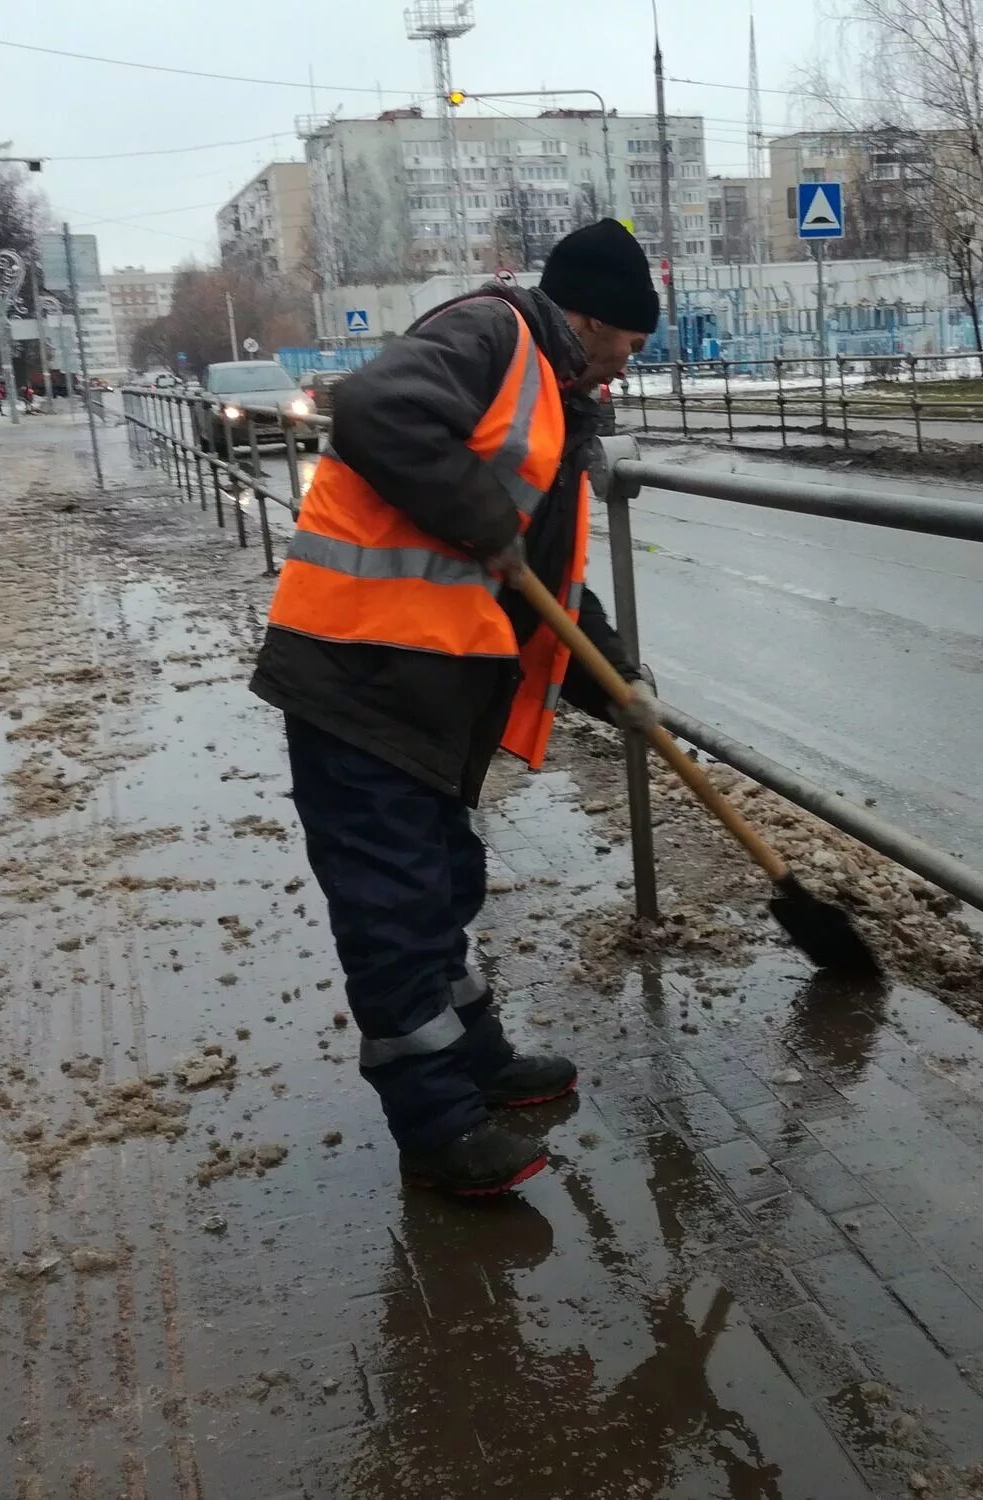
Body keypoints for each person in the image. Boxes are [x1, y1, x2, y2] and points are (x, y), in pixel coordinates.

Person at [250, 219, 660, 1196]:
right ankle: (435, 1127)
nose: (630, 362)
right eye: (630, 341)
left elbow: (544, 582)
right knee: (393, 910)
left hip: (428, 693)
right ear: (593, 315)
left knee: (441, 886)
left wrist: (616, 679)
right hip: (359, 677)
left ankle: (474, 1062)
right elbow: (371, 409)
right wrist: (484, 523)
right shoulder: (489, 336)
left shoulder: (556, 405)